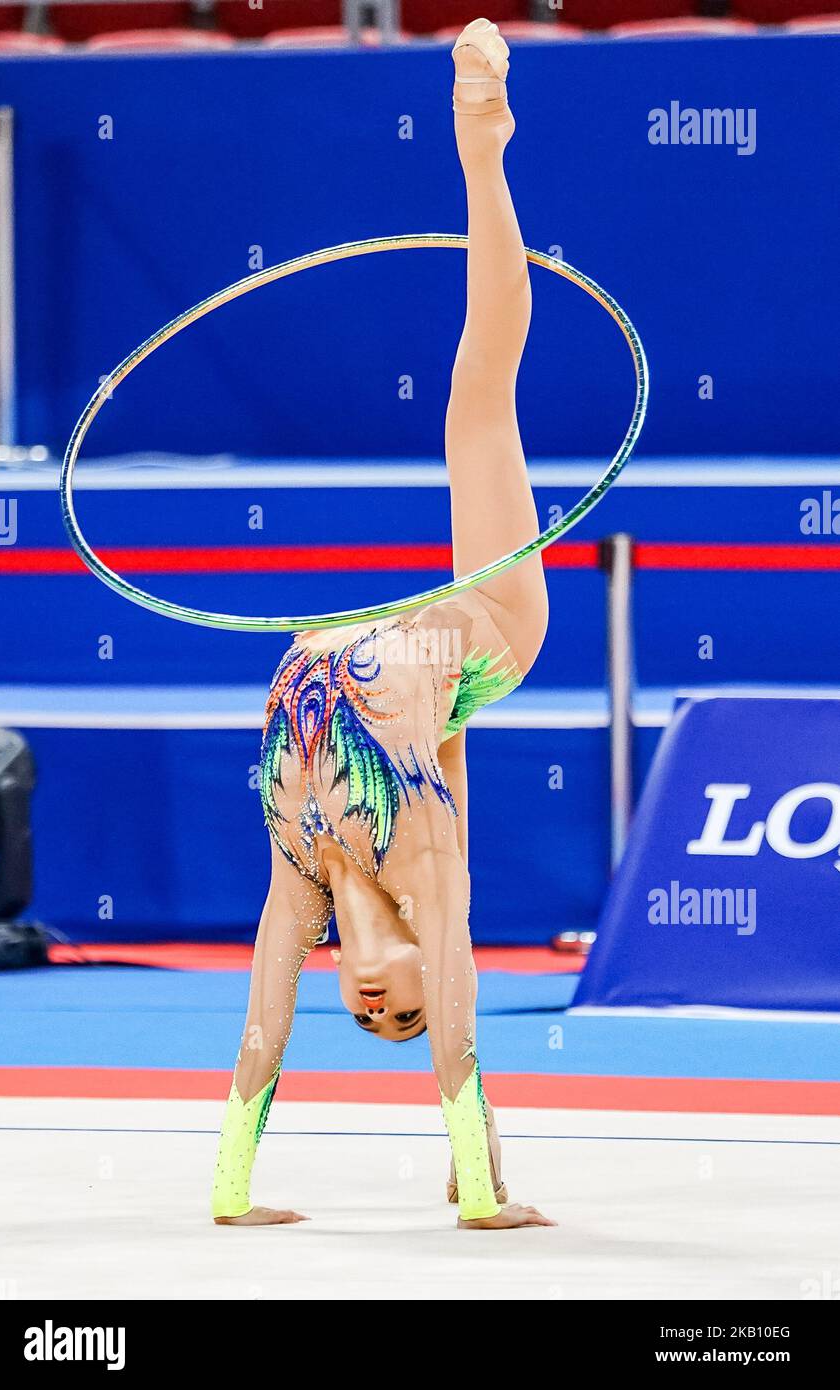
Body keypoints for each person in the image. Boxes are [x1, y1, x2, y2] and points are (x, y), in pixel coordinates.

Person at [212, 18, 554, 1231]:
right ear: (418, 953)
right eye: (404, 1007)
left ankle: (480, 143)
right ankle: (480, 148)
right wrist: (481, 1186)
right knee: (479, 396)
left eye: (372, 1019)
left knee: (472, 403)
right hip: (475, 636)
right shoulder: (426, 870)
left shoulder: (299, 876)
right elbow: (462, 1028)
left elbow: (260, 1025)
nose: (386, 1006)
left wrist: (231, 1191)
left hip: (358, 664)